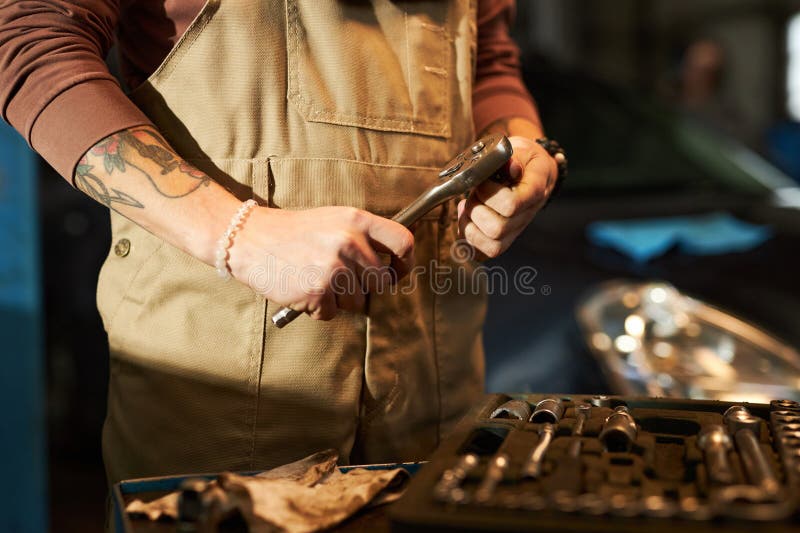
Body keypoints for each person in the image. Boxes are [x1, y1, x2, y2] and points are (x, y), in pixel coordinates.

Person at [0, 0, 558, 486]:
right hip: (216, 398)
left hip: (436, 385)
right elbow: (29, 38)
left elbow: (489, 65)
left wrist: (519, 149)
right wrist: (236, 233)